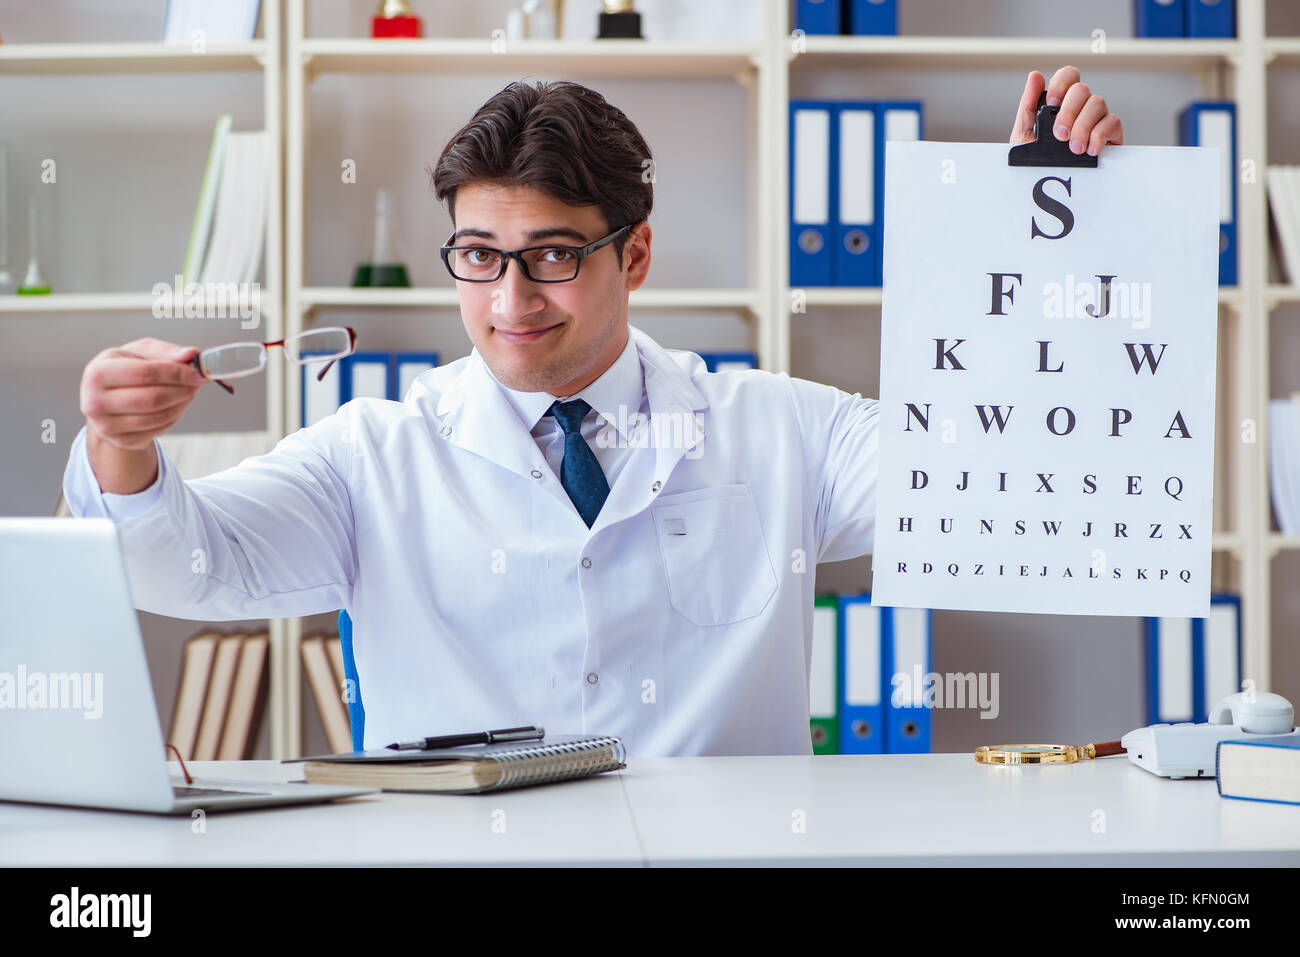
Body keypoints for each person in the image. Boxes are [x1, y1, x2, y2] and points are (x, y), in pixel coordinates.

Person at [64, 67, 1122, 756]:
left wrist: (1040, 232)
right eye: (479, 259)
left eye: (554, 258)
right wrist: (121, 446)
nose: (510, 303)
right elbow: (177, 567)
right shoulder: (374, 454)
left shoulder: (781, 430)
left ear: (638, 252)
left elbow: (1004, 468)